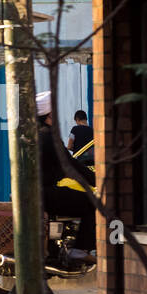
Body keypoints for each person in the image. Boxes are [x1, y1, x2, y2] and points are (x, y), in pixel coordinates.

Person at [38, 92, 96, 259]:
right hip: (45, 192)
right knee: (91, 202)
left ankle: (55, 247)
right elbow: (69, 164)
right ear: (49, 116)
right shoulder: (49, 136)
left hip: (32, 192)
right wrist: (93, 178)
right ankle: (80, 249)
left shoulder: (32, 135)